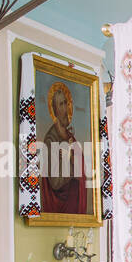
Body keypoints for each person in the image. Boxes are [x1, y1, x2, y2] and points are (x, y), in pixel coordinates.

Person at [39, 81, 88, 215]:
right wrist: (69, 162)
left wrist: (71, 157)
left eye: (66, 103)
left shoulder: (70, 137)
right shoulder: (51, 139)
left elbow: (82, 170)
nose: (65, 108)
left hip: (74, 204)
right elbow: (54, 183)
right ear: (54, 110)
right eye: (61, 104)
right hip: (60, 205)